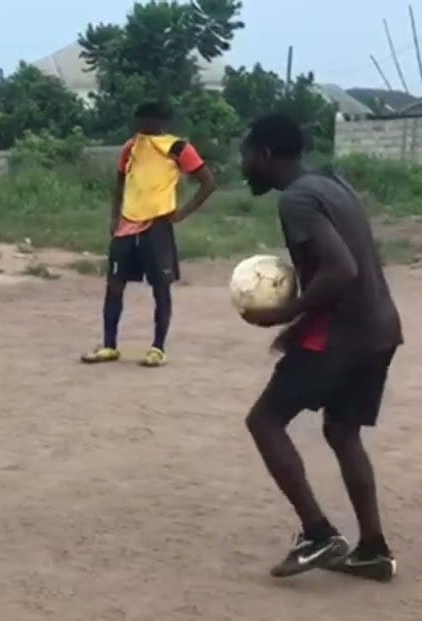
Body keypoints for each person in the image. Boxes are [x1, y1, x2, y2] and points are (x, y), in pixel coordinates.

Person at [238, 113, 403, 582]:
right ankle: (372, 550)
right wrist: (303, 321)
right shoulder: (332, 183)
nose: (245, 164)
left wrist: (284, 313)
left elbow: (341, 268)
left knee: (265, 421)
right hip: (380, 328)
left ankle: (317, 533)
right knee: (343, 431)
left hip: (345, 332)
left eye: (248, 155)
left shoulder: (296, 199)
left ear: (267, 155)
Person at [81, 101, 217, 368]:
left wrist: (183, 212)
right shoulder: (130, 147)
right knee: (114, 286)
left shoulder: (178, 147)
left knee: (161, 288)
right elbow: (120, 182)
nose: (143, 126)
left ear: (163, 122)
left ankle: (158, 348)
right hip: (127, 224)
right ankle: (109, 345)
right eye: (140, 120)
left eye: (149, 121)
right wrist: (114, 216)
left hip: (157, 224)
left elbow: (208, 182)